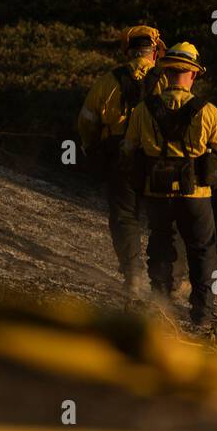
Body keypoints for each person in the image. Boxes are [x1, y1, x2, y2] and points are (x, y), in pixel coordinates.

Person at [121, 42, 217, 326]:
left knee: (160, 244)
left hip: (156, 191)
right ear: (194, 75)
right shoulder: (208, 111)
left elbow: (128, 148)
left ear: (166, 73)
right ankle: (202, 315)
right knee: (201, 250)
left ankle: (160, 304)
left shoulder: (144, 109)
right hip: (196, 194)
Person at [76, 25, 167, 297]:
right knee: (163, 219)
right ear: (155, 53)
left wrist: (90, 147)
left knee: (124, 216)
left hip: (119, 156)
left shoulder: (108, 80)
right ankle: (170, 280)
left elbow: (87, 120)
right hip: (158, 159)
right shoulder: (167, 81)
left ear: (128, 51)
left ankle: (133, 276)